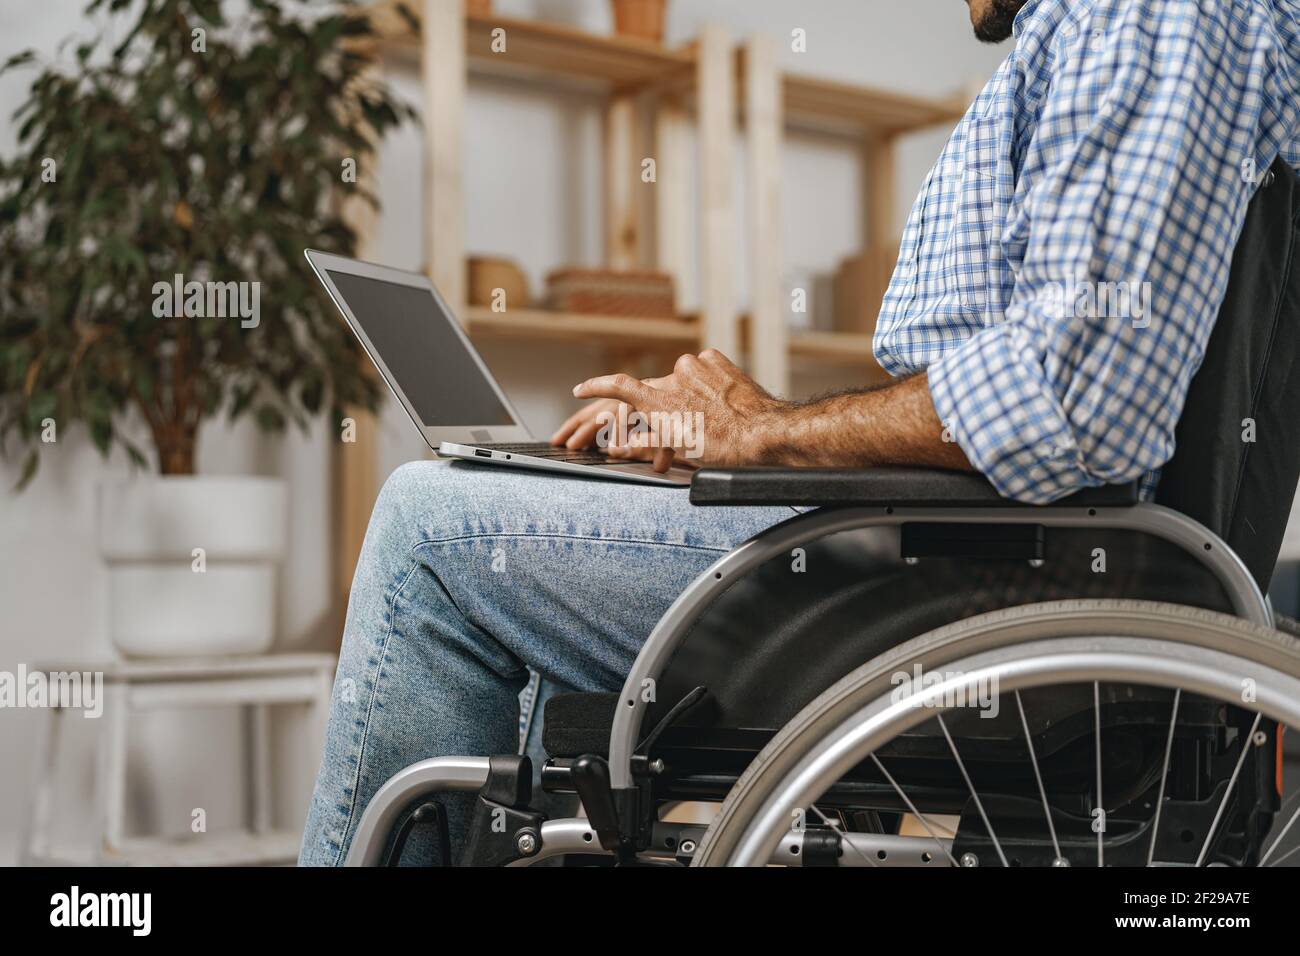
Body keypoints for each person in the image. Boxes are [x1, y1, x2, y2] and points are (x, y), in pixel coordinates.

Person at [299, 0, 1300, 865]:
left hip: (995, 596)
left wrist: (768, 436)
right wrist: (740, 438)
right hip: (985, 562)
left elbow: (1069, 404)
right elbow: (1033, 387)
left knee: (430, 525)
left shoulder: (1140, 15)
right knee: (509, 555)